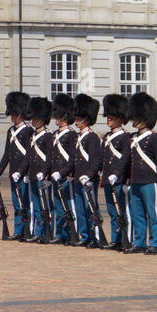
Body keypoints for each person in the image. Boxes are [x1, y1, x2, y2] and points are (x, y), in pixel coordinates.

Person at [125, 92, 157, 255]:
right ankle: (139, 241)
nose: (133, 120)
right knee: (137, 213)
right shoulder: (132, 137)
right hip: (135, 180)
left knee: (152, 212)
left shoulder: (154, 138)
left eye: (136, 117)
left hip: (150, 180)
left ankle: (154, 242)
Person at [0, 91, 33, 242]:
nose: (12, 116)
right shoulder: (11, 131)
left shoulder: (28, 130)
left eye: (14, 113)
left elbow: (29, 154)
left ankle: (27, 230)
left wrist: (21, 171)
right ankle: (18, 230)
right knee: (16, 204)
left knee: (25, 203)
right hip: (14, 173)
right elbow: (7, 154)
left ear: (20, 113)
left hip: (24, 174)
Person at [73, 93, 106, 248]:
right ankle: (85, 235)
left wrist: (89, 175)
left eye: (79, 119)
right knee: (80, 210)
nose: (76, 121)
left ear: (86, 119)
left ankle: (96, 237)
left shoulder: (92, 137)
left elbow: (96, 160)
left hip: (88, 179)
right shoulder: (78, 137)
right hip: (77, 178)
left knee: (91, 208)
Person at [101, 94, 132, 251]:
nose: (109, 119)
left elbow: (125, 159)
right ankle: (115, 239)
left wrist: (118, 175)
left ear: (120, 118)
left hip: (118, 180)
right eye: (108, 117)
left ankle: (125, 238)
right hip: (108, 179)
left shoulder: (125, 137)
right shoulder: (107, 136)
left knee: (122, 212)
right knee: (112, 211)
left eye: (112, 117)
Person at [51, 93, 80, 246]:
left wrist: (62, 173)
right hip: (55, 177)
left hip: (66, 176)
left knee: (69, 207)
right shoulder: (55, 134)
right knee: (58, 208)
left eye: (58, 115)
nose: (55, 118)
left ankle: (71, 234)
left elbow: (72, 158)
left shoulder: (71, 134)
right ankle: (60, 234)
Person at [25, 96, 54, 244]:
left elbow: (49, 157)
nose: (33, 121)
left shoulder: (48, 135)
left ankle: (46, 232)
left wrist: (45, 172)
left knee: (45, 205)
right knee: (36, 205)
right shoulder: (33, 135)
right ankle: (38, 232)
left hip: (43, 175)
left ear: (43, 119)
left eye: (36, 118)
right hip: (32, 174)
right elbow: (29, 156)